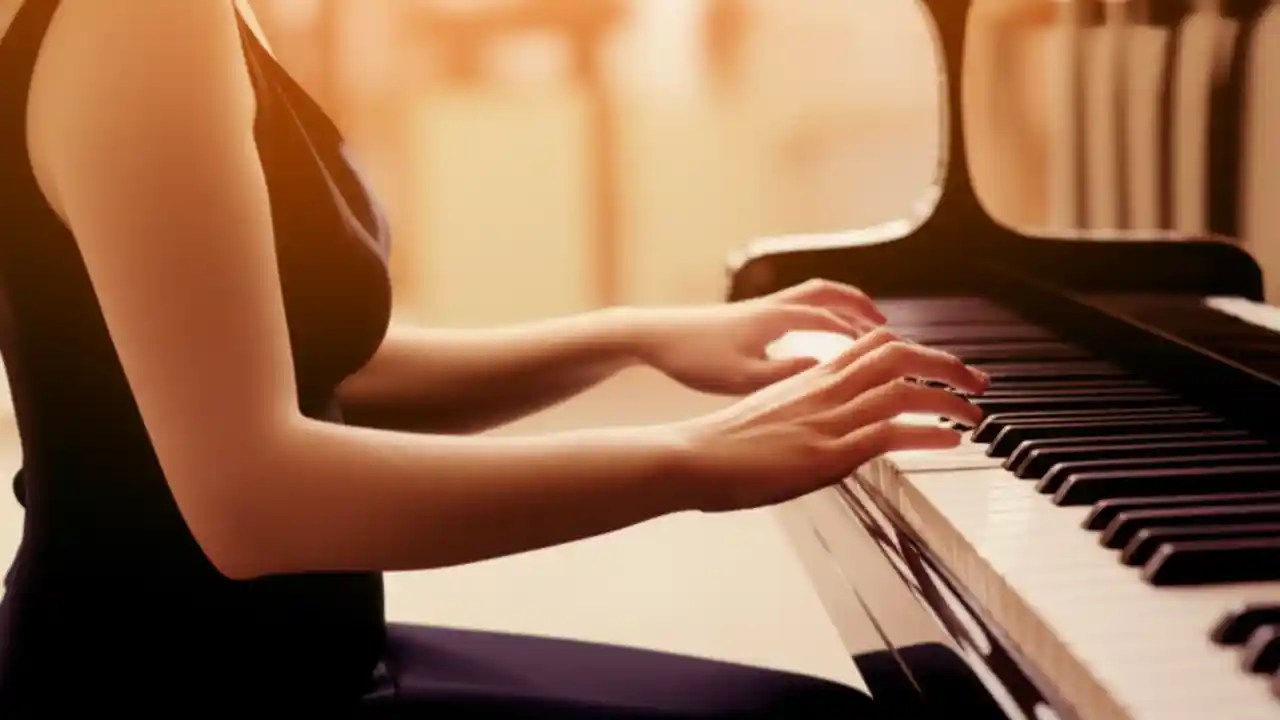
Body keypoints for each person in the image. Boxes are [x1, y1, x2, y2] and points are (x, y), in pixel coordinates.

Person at [0, 0, 996, 716]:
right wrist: (697, 455)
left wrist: (630, 335)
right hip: (170, 693)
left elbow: (325, 372)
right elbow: (249, 501)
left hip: (293, 666)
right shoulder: (134, 21)